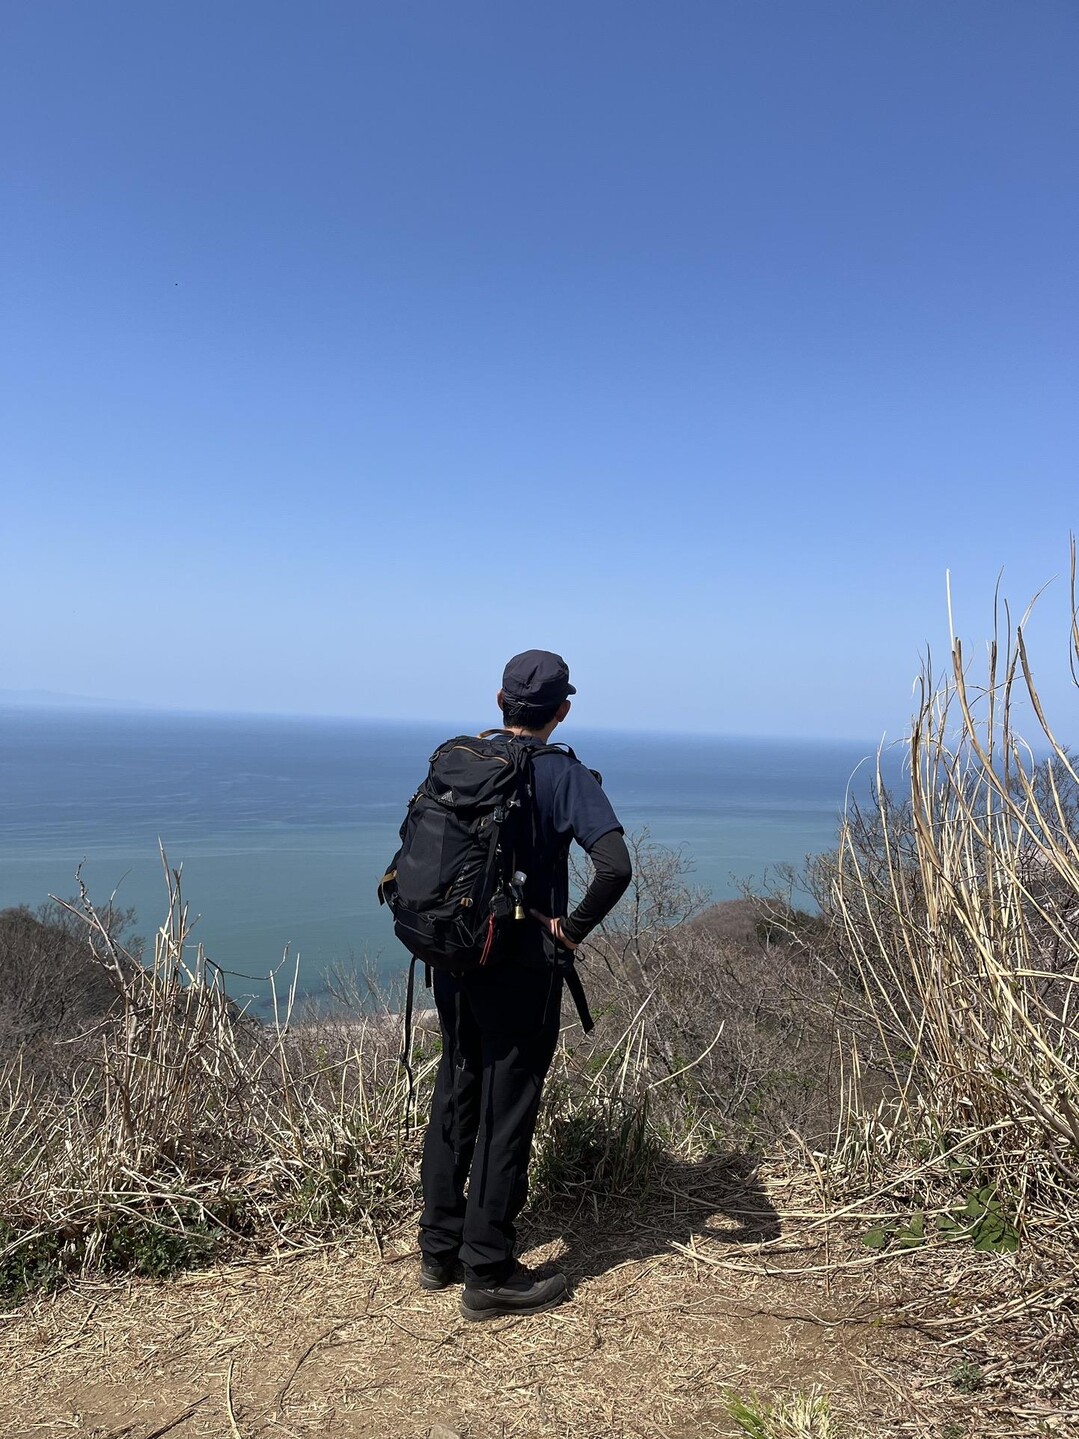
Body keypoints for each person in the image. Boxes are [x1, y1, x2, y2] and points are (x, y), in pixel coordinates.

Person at [416, 649, 632, 1321]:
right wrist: (568, 929)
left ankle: (438, 1249)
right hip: (521, 965)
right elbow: (614, 865)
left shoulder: (463, 761)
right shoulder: (562, 773)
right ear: (561, 709)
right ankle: (489, 1271)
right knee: (508, 1108)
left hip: (456, 955)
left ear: (499, 700)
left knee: (457, 1087)